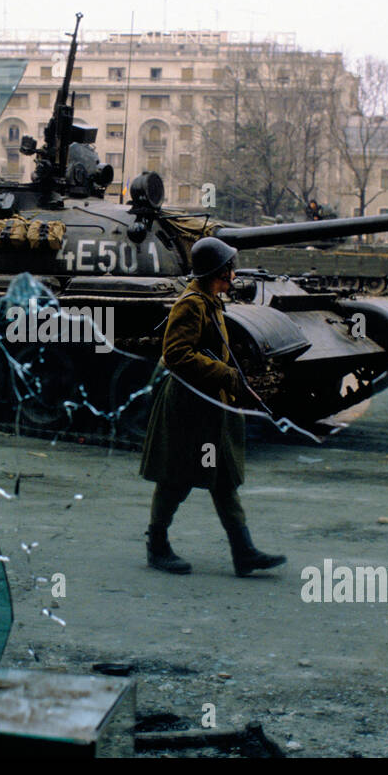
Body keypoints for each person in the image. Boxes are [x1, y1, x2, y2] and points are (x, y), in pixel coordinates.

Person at [139, 237, 286, 577]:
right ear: (216, 273)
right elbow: (176, 355)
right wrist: (226, 376)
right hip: (189, 406)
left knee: (222, 478)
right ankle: (156, 545)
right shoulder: (191, 304)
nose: (232, 276)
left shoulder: (210, 301)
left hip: (209, 404)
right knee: (176, 477)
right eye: (227, 270)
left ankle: (244, 551)